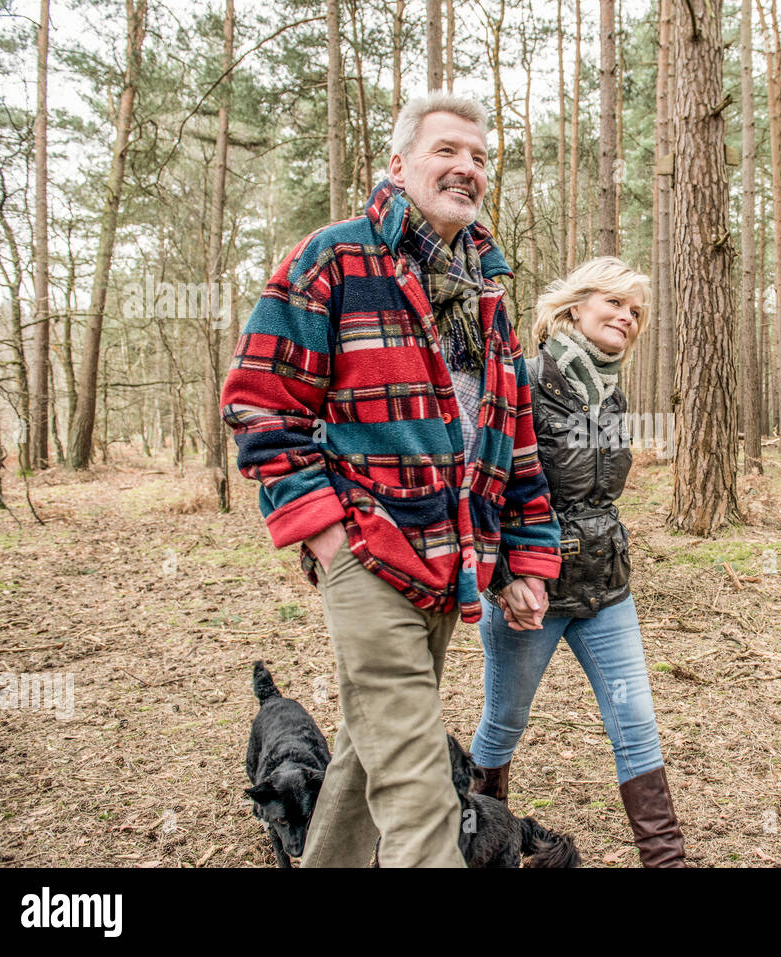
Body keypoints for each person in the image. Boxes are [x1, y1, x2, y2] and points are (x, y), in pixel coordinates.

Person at [219, 92, 561, 867]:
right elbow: (257, 399)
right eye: (447, 151)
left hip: (451, 567)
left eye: (479, 157)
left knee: (367, 752)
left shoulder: (487, 293)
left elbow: (514, 441)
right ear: (399, 164)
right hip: (368, 559)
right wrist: (327, 532)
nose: (467, 168)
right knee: (416, 789)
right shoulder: (335, 259)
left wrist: (526, 558)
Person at [470, 257, 687, 867]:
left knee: (636, 724)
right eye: (614, 303)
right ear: (572, 309)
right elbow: (489, 488)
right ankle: (481, 839)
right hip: (531, 594)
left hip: (606, 589)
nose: (627, 317)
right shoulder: (521, 382)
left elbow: (600, 498)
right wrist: (508, 577)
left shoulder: (612, 398)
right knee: (504, 723)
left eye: (636, 311)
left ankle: (665, 861)